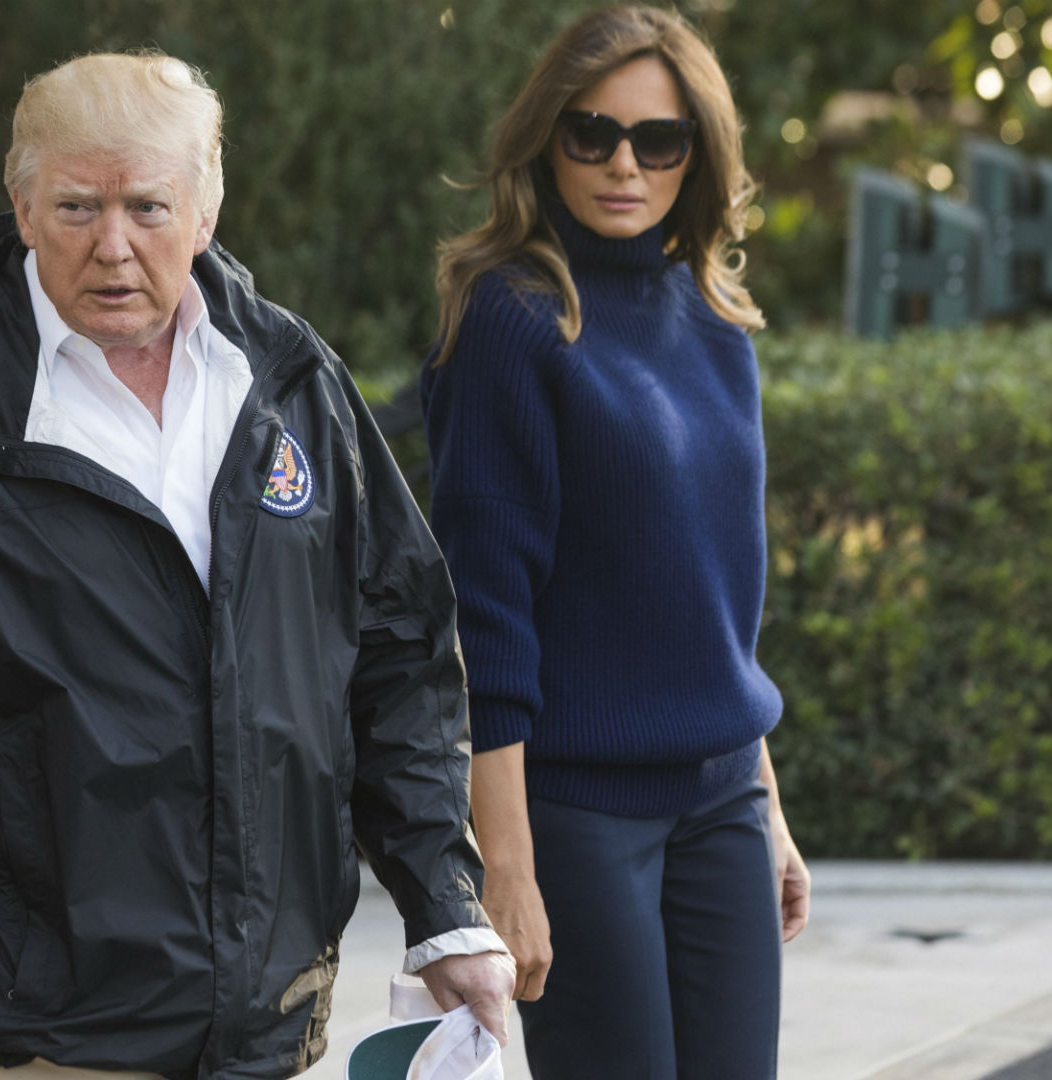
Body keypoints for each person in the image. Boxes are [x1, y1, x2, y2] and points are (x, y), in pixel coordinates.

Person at [0, 51, 514, 1080]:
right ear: (21, 209)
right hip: (36, 1043)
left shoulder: (291, 382)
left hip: (266, 1033)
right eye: (76, 207)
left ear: (205, 212)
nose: (113, 247)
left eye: (148, 207)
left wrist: (449, 914)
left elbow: (400, 656)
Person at [421, 7, 811, 1078]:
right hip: (580, 817)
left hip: (723, 799)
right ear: (547, 140)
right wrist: (506, 868)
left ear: (701, 154)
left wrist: (766, 808)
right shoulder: (510, 318)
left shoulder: (715, 315)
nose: (622, 164)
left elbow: (720, 601)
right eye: (591, 133)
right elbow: (484, 621)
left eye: (659, 140)